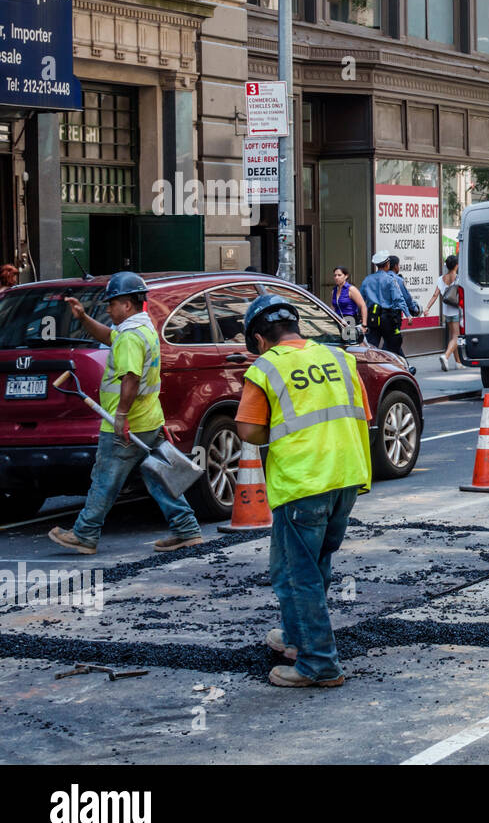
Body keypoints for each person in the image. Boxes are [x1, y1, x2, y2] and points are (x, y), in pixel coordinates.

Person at [235, 294, 372, 688]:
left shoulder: (267, 367)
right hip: (345, 477)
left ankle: (318, 663)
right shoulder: (340, 358)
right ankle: (296, 637)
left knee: (296, 575)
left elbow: (248, 429)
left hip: (303, 482)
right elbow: (362, 412)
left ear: (259, 339)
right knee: (317, 566)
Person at [49, 272, 203, 555]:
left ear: (127, 305)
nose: (108, 309)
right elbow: (109, 336)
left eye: (112, 303)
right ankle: (186, 528)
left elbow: (130, 378)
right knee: (158, 474)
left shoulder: (131, 336)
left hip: (126, 423)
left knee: (105, 479)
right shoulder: (141, 328)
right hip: (148, 419)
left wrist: (120, 416)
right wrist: (83, 318)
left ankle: (85, 533)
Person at [377, 255, 420, 359]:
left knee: (391, 341)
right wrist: (414, 310)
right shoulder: (397, 280)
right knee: (392, 342)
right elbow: (406, 298)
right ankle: (405, 368)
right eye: (399, 265)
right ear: (395, 266)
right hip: (393, 317)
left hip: (379, 316)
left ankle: (406, 367)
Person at [423, 254, 461, 371]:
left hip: (446, 311)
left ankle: (458, 362)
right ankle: (445, 356)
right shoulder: (459, 278)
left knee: (452, 336)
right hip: (456, 310)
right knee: (456, 337)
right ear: (456, 265)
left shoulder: (441, 279)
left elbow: (435, 295)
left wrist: (427, 307)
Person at [358, 250, 389, 348]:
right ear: (387, 264)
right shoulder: (390, 279)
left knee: (371, 345)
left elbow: (360, 300)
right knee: (392, 345)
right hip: (387, 317)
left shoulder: (367, 279)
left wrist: (361, 318)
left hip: (372, 317)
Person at [330, 265, 367, 333]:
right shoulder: (334, 290)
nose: (336, 277)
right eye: (335, 275)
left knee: (350, 342)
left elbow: (363, 305)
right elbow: (333, 307)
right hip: (338, 321)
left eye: (339, 275)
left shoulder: (351, 289)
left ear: (346, 276)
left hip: (350, 321)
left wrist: (364, 325)